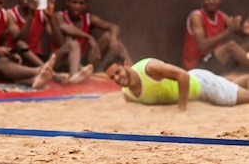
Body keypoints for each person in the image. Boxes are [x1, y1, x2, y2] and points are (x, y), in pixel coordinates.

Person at [6, 0, 90, 84]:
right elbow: (20, 39)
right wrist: (30, 17)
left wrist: (50, 18)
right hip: (21, 60)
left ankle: (74, 76)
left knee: (73, 44)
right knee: (20, 44)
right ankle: (55, 76)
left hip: (39, 58)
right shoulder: (10, 14)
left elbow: (58, 42)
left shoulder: (41, 14)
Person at [103, 54, 249, 111]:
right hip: (198, 91)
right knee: (233, 86)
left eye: (117, 72)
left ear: (126, 64)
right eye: (112, 77)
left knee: (237, 98)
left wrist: (182, 108)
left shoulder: (149, 68)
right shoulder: (127, 94)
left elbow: (183, 75)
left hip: (204, 86)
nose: (116, 78)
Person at [55, 0, 130, 71]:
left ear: (86, 5)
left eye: (81, 3)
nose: (77, 6)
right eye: (74, 2)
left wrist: (113, 39)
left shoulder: (88, 18)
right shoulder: (59, 16)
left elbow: (113, 26)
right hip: (62, 61)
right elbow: (64, 27)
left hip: (84, 60)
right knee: (70, 41)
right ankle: (75, 75)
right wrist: (88, 37)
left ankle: (133, 70)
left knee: (109, 36)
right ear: (67, 2)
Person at [182, 0, 249, 77]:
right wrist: (228, 31)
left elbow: (240, 33)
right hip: (198, 66)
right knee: (231, 46)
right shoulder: (196, 16)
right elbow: (202, 45)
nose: (211, 1)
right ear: (202, 0)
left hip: (215, 62)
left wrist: (245, 29)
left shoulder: (220, 15)